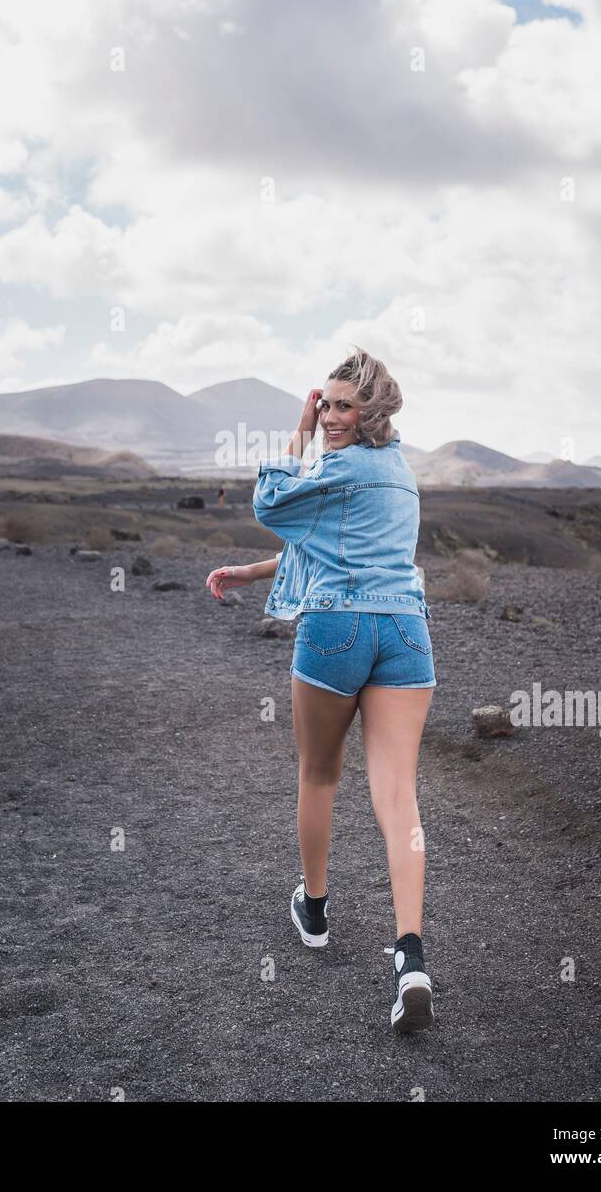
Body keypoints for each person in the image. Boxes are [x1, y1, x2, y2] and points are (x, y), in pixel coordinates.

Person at [205, 346, 437, 1033]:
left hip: (335, 628)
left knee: (318, 774)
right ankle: (411, 959)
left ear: (370, 410)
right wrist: (251, 573)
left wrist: (297, 433)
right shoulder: (401, 475)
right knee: (398, 797)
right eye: (324, 404)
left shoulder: (332, 463)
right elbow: (329, 540)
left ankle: (314, 908)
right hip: (404, 632)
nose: (331, 416)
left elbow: (271, 501)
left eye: (342, 406)